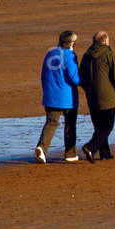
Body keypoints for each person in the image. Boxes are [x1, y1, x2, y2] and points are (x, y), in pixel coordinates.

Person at [36, 30, 81, 164]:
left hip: (50, 94)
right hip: (67, 97)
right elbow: (74, 77)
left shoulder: (50, 54)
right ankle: (70, 153)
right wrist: (85, 82)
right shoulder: (69, 55)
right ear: (71, 43)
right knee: (70, 124)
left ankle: (42, 148)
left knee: (51, 123)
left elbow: (43, 75)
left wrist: (46, 90)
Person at [79, 30, 115, 161]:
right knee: (107, 126)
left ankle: (105, 153)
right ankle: (90, 148)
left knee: (99, 126)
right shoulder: (108, 53)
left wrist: (87, 88)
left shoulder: (87, 55)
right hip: (107, 96)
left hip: (92, 96)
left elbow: (81, 75)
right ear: (104, 41)